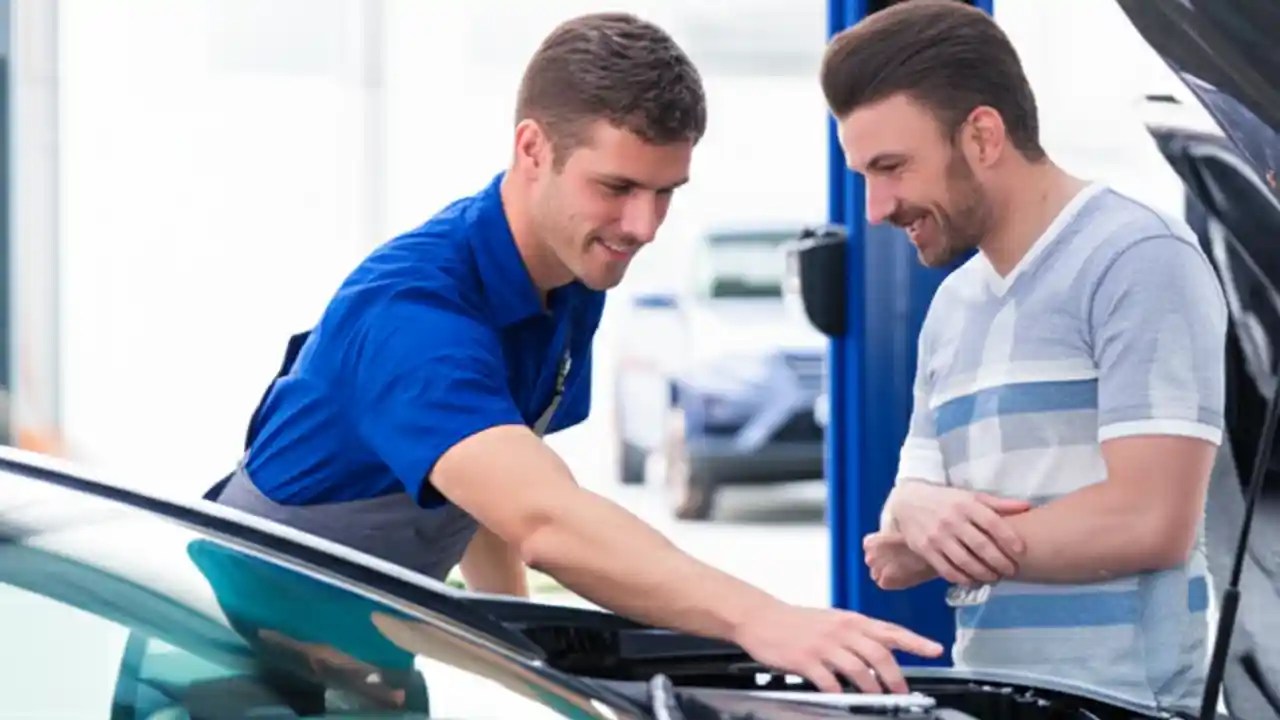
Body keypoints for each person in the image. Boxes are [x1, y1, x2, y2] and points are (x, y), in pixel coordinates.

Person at [208, 11, 942, 695]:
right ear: (533, 149)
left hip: (359, 666)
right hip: (236, 673)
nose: (643, 225)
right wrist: (764, 619)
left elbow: (488, 488)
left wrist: (523, 667)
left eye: (665, 192)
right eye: (617, 187)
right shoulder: (412, 316)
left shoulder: (568, 277)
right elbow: (545, 519)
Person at [818, 0, 1226, 713]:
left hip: (1126, 705)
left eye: (892, 168)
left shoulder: (1139, 259)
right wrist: (917, 512)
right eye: (864, 177)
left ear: (982, 136)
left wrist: (934, 540)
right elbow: (897, 532)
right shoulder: (951, 307)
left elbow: (1150, 520)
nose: (877, 208)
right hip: (992, 700)